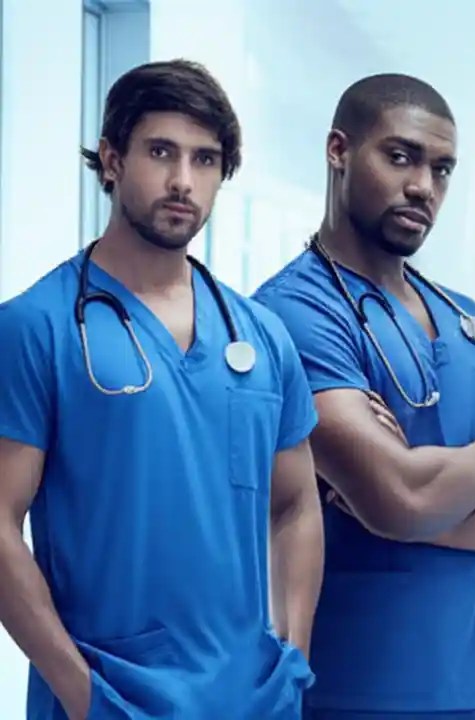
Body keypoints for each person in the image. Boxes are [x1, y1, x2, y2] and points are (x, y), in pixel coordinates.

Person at [0, 59, 324, 719]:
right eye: (161, 152)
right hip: (111, 699)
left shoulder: (262, 336)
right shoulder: (38, 326)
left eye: (205, 160)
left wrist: (289, 661)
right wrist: (84, 696)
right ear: (112, 160)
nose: (183, 181)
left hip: (252, 702)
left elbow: (295, 506)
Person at [252, 74, 475, 720]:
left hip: (472, 688)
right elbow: (403, 496)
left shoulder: (471, 323)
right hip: (353, 687)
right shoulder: (292, 315)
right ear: (338, 150)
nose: (423, 187)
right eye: (401, 156)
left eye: (441, 170)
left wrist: (406, 503)